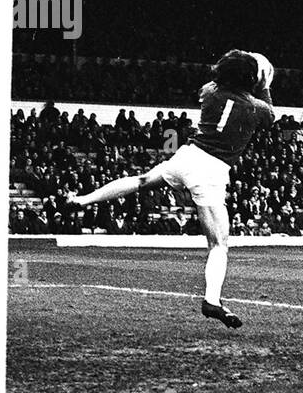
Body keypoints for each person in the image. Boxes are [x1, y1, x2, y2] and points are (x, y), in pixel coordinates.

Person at [66, 50, 274, 327]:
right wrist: (265, 83)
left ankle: (83, 200)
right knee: (218, 245)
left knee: (141, 180)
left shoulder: (209, 93)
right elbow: (270, 116)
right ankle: (212, 301)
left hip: (187, 156)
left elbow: (218, 80)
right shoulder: (255, 108)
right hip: (212, 170)